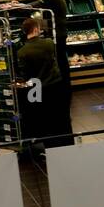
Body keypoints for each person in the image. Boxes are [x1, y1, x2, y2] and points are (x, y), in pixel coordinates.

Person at [14, 16, 70, 153]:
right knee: (57, 115)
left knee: (42, 117)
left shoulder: (22, 52)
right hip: (55, 86)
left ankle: (45, 143)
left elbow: (25, 74)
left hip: (38, 89)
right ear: (35, 29)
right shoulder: (49, 43)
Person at [38, 0, 68, 84]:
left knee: (60, 60)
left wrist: (20, 5)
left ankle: (64, 84)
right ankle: (65, 83)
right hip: (61, 32)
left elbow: (37, 5)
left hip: (58, 33)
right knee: (62, 59)